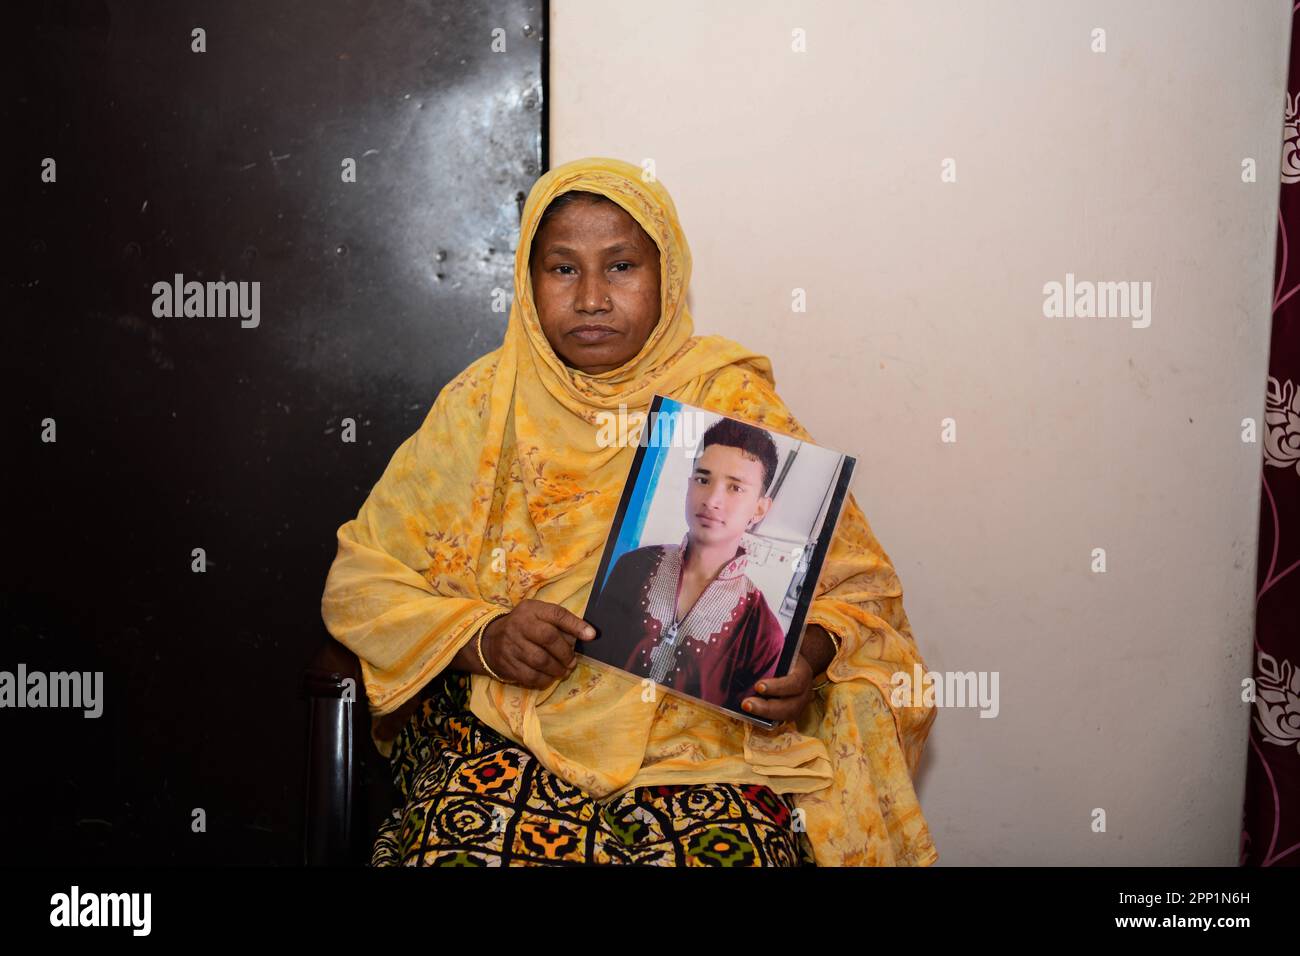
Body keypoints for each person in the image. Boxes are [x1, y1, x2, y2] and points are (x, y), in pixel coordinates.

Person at [320, 156, 939, 866]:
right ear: (527, 280)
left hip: (707, 748)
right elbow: (362, 585)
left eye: (620, 267)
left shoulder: (729, 403)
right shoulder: (481, 406)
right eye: (562, 269)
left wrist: (806, 656)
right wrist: (483, 639)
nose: (591, 298)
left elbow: (860, 592)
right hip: (509, 730)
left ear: (666, 278)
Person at [584, 417, 790, 716]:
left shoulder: (763, 632)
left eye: (735, 487)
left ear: (759, 509)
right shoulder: (633, 567)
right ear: (690, 484)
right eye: (703, 480)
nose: (712, 500)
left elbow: (738, 728)